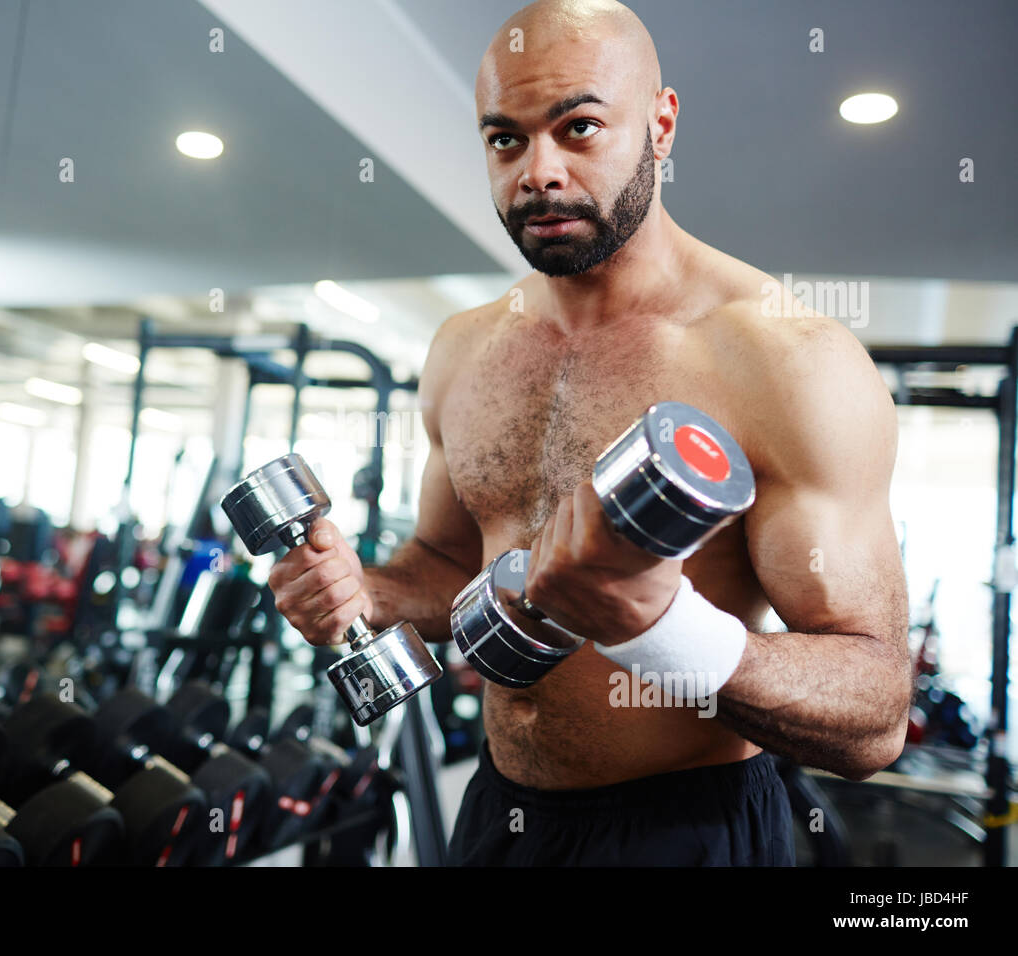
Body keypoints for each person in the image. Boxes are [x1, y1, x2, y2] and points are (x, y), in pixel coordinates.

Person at [268, 0, 910, 865]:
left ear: (661, 123)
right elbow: (452, 568)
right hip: (501, 812)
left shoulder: (788, 361)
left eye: (578, 127)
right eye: (506, 140)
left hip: (687, 829)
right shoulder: (464, 349)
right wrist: (365, 593)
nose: (538, 171)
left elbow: (874, 714)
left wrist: (662, 631)